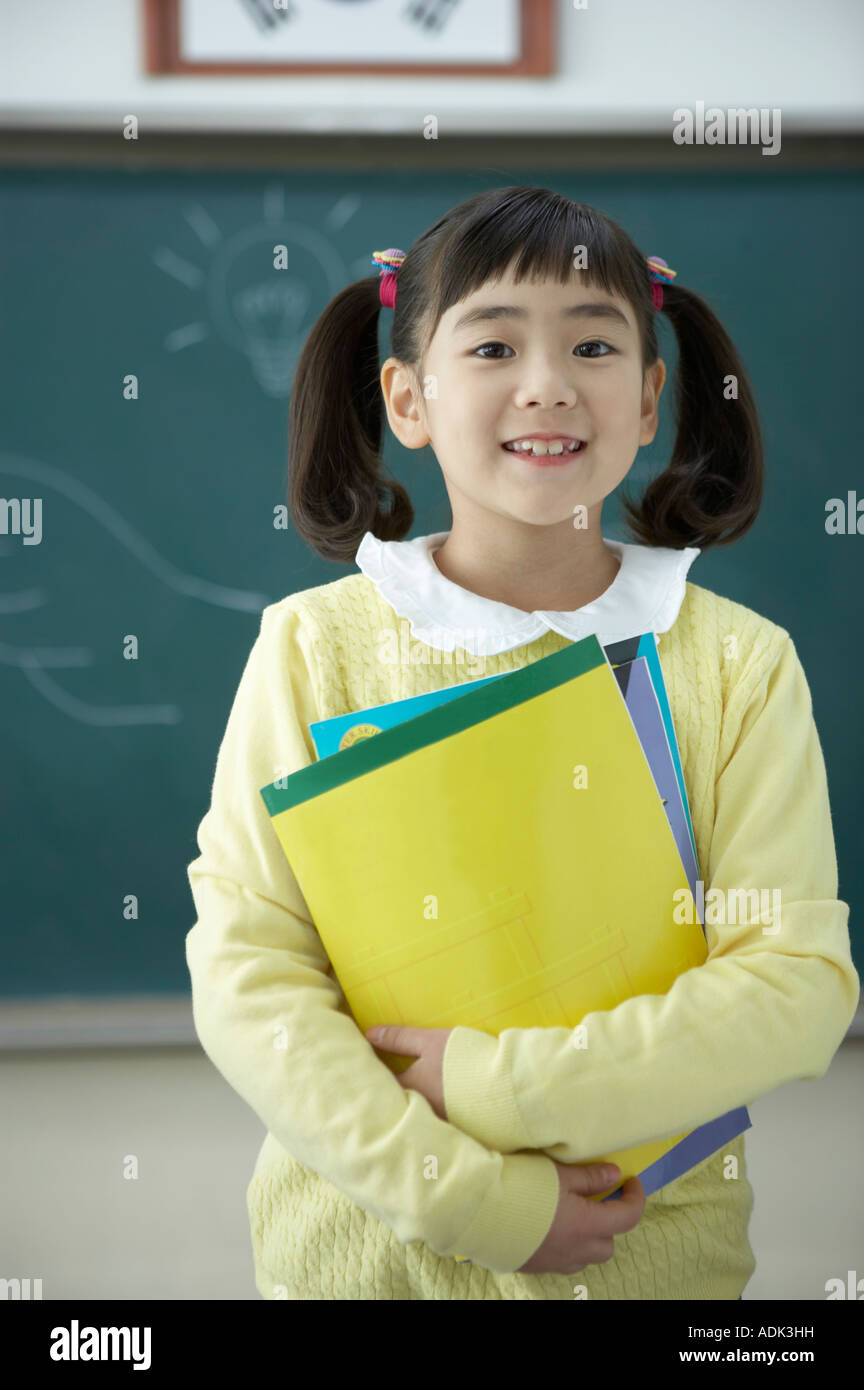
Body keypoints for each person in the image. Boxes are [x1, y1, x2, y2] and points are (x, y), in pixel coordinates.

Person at [185, 184, 859, 1300]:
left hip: (651, 1261)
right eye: (493, 342)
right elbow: (251, 973)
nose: (548, 383)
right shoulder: (312, 647)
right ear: (408, 396)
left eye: (594, 345)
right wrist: (470, 1195)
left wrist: (497, 1085)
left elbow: (793, 984)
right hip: (365, 1261)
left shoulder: (737, 663)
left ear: (650, 399)